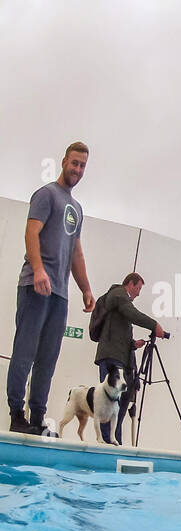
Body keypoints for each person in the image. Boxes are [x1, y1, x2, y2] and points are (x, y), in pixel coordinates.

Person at [8, 143, 95, 434]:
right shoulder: (46, 195)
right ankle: (16, 414)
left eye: (82, 166)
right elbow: (31, 232)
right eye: (74, 163)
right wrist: (39, 270)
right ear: (64, 162)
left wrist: (85, 288)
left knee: (47, 359)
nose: (77, 170)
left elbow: (76, 252)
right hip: (35, 287)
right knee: (25, 353)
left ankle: (37, 417)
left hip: (59, 294)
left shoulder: (77, 209)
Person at [90, 273, 166, 444]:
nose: (138, 293)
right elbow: (134, 314)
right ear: (130, 284)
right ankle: (107, 442)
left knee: (119, 402)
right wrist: (155, 325)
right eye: (138, 288)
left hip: (117, 356)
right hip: (112, 358)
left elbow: (117, 332)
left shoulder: (118, 302)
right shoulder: (118, 295)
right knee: (110, 401)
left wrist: (132, 344)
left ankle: (114, 440)